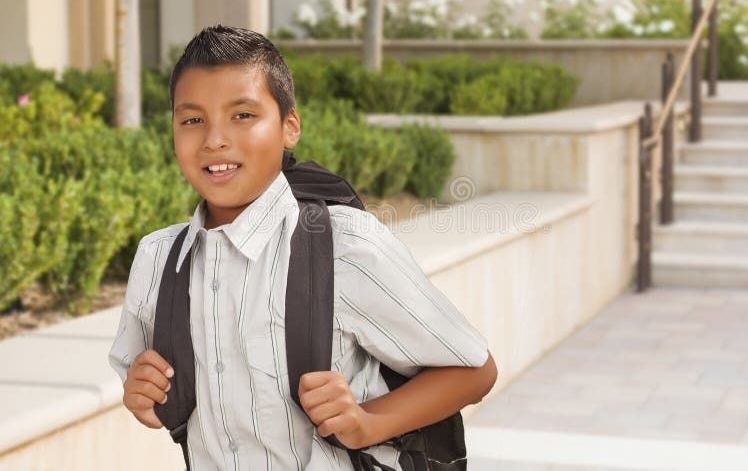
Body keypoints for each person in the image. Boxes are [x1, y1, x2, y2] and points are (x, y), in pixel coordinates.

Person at [108, 25, 497, 470]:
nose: (214, 138)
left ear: (289, 127)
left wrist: (367, 422)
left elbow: (474, 370)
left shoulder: (344, 245)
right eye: (192, 119)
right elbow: (150, 394)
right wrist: (141, 394)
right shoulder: (159, 260)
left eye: (243, 115)